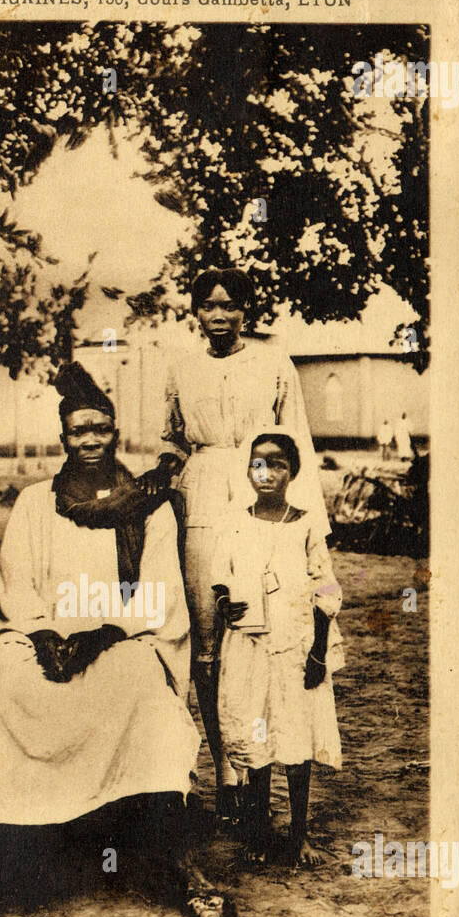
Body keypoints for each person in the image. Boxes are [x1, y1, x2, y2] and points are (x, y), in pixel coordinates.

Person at [0, 362, 226, 917]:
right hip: (42, 634)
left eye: (100, 429)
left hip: (123, 635)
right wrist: (44, 633)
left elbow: (159, 594)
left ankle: (176, 858)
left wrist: (105, 632)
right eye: (79, 431)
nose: (90, 441)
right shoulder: (35, 502)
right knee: (3, 684)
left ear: (115, 432)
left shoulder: (148, 505)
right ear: (64, 438)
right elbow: (17, 582)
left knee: (143, 693)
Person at [142, 267, 329, 828]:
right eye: (208, 306)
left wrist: (307, 519)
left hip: (258, 489)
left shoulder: (273, 363)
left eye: (230, 306)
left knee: (257, 630)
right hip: (200, 496)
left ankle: (259, 766)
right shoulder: (181, 366)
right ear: (195, 312)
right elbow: (173, 437)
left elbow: (296, 441)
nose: (219, 316)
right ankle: (227, 772)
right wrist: (163, 470)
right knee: (207, 634)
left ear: (247, 310)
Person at [211, 433, 343, 868]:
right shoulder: (233, 522)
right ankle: (260, 831)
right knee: (260, 737)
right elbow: (220, 579)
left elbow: (326, 592)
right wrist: (225, 604)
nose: (266, 473)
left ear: (294, 470)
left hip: (295, 647)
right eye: (257, 464)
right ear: (247, 471)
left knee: (296, 739)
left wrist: (318, 653)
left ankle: (300, 833)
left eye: (277, 464)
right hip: (250, 649)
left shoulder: (305, 525)